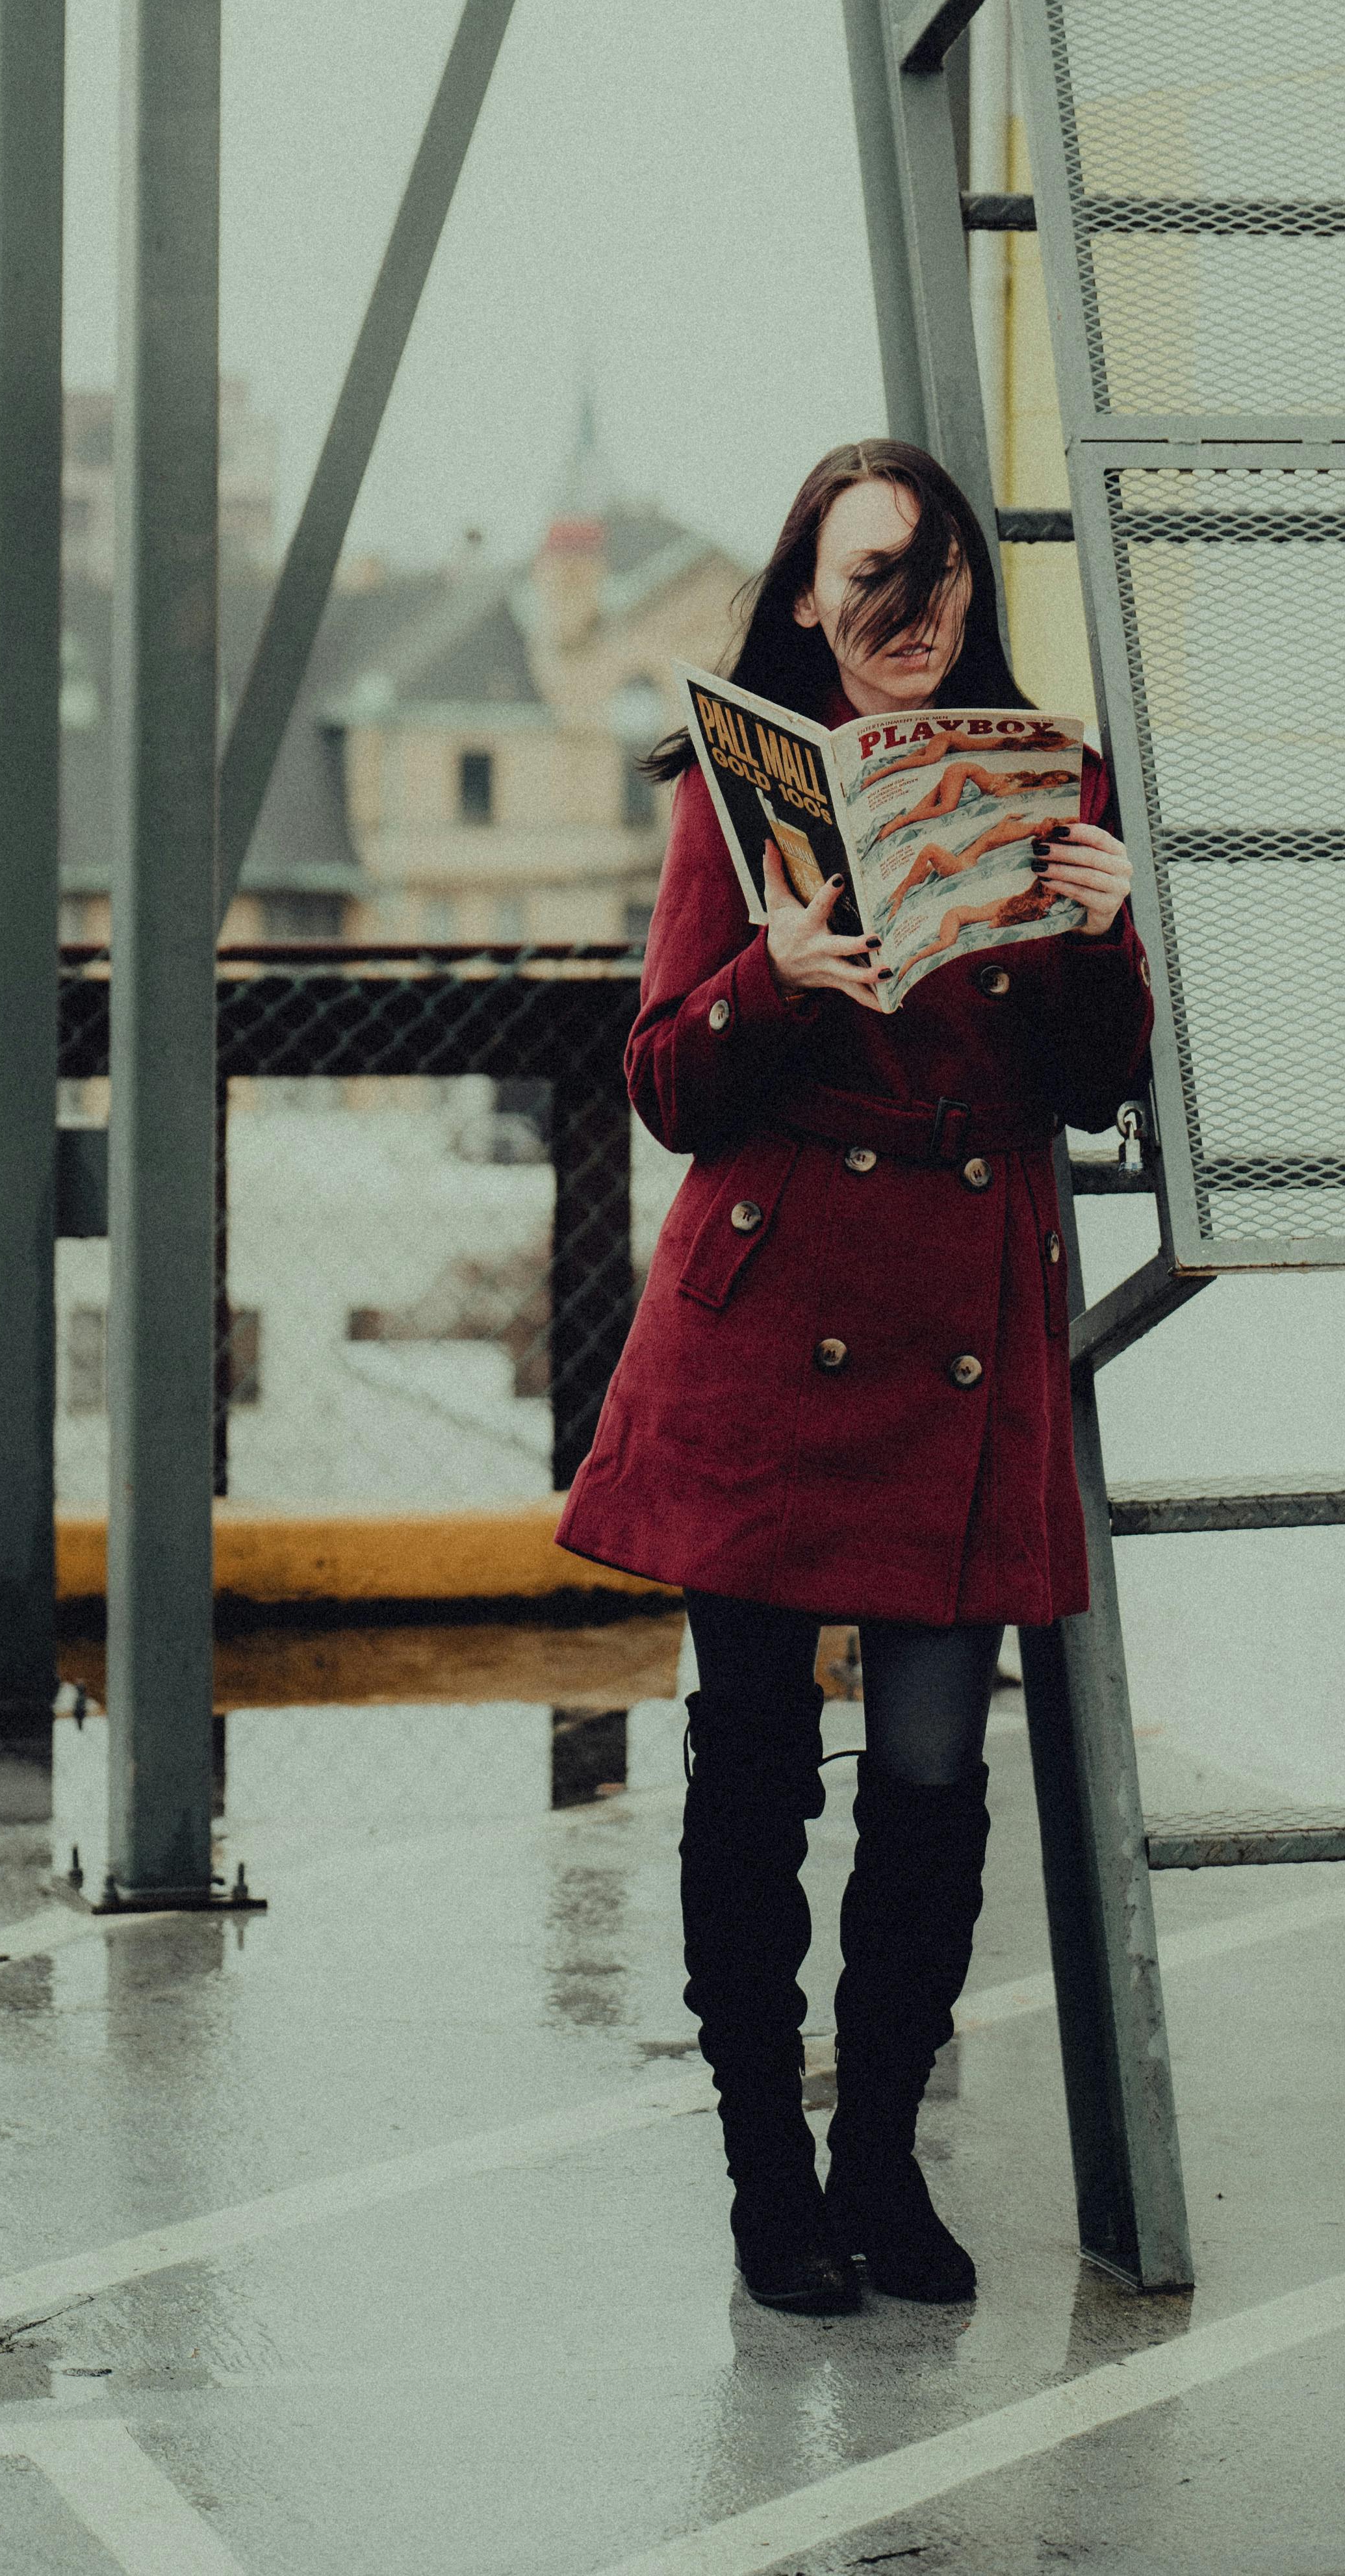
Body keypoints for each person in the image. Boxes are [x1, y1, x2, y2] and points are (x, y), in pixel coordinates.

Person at [556, 439, 1151, 2316]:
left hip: (962, 1324)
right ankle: (765, 2175)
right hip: (776, 1318)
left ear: (969, 593)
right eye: (867, 578)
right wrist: (779, 976)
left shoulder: (1044, 776)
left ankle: (881, 2159)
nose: (905, 614)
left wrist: (1100, 921)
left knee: (925, 1770)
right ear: (807, 598)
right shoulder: (743, 798)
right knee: (750, 1761)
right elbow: (661, 1083)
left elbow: (1093, 1080)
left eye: (935, 578)